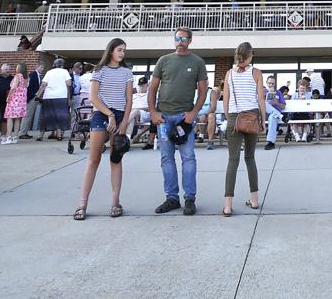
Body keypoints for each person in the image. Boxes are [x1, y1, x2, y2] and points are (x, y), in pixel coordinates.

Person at [148, 27, 207, 215]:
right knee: (166, 158)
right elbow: (152, 88)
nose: (180, 41)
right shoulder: (163, 60)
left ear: (190, 41)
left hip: (184, 119)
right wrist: (153, 112)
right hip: (164, 119)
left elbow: (203, 90)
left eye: (183, 38)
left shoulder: (197, 62)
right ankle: (171, 198)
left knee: (188, 157)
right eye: (177, 38)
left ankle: (189, 198)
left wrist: (194, 112)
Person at [74, 38, 134, 221]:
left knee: (116, 159)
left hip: (120, 115)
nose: (122, 53)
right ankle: (82, 204)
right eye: (119, 50)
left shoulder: (126, 72)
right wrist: (109, 115)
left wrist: (124, 121)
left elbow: (129, 99)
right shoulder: (99, 71)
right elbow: (93, 97)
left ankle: (115, 203)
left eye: (124, 50)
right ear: (111, 51)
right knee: (94, 159)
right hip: (102, 114)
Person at [222, 41, 265, 216]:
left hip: (234, 117)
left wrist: (228, 116)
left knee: (233, 160)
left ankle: (227, 205)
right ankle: (254, 201)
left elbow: (226, 97)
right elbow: (261, 98)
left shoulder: (229, 73)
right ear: (250, 56)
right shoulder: (256, 73)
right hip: (252, 117)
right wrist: (264, 119)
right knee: (250, 158)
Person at [38, 58, 72, 140]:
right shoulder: (65, 72)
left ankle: (41, 136)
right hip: (61, 96)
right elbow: (69, 83)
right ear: (62, 65)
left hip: (48, 96)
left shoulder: (49, 72)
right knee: (59, 116)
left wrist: (38, 95)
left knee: (45, 116)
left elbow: (44, 84)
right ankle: (59, 135)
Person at [17, 63, 45, 139]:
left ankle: (25, 132)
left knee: (30, 116)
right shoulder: (33, 75)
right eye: (41, 67)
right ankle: (22, 133)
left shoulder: (39, 76)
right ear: (36, 67)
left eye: (43, 67)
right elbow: (28, 87)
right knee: (27, 116)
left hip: (35, 97)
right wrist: (31, 96)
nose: (42, 68)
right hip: (31, 98)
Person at [2, 62, 28, 144]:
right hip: (22, 100)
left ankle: (8, 137)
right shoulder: (26, 77)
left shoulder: (17, 76)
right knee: (17, 118)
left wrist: (8, 96)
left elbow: (13, 88)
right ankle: (15, 137)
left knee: (10, 117)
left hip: (15, 99)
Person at [261, 74, 287, 149]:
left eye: (272, 83)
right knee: (264, 103)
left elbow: (283, 106)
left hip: (274, 116)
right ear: (266, 82)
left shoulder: (278, 92)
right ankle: (281, 116)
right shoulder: (262, 91)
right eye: (269, 83)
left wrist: (276, 103)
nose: (271, 85)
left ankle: (271, 143)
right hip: (264, 114)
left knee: (272, 117)